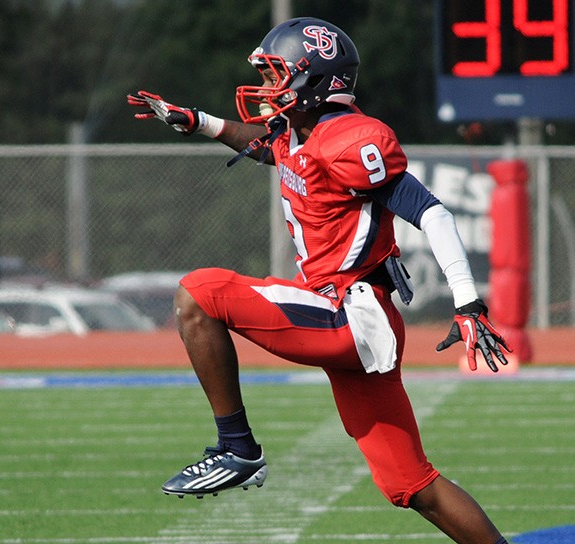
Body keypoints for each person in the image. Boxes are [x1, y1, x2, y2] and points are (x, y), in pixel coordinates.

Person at [127, 17, 512, 544]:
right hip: (352, 317)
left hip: (349, 312)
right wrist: (198, 122)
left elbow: (434, 214)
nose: (265, 89)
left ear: (314, 80)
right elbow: (270, 146)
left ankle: (238, 447)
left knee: (198, 293)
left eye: (275, 75)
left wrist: (469, 305)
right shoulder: (300, 131)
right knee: (412, 484)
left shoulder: (350, 139)